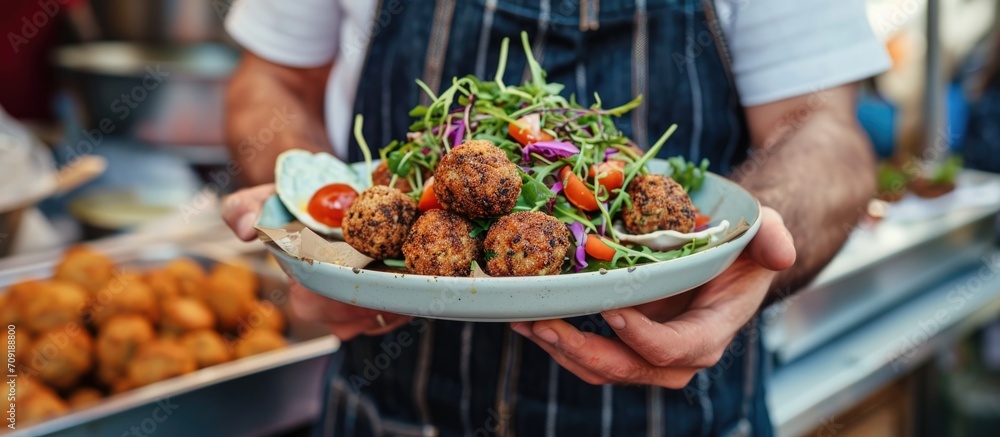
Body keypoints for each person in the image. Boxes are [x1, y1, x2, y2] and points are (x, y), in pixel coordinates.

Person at [221, 0, 889, 435]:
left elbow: (826, 131)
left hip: (680, 417)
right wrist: (314, 219)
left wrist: (748, 244)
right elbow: (271, 82)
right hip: (388, 410)